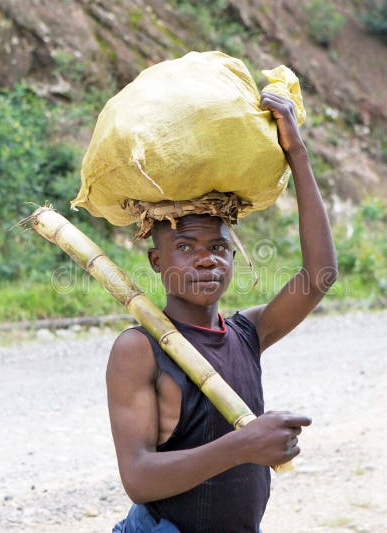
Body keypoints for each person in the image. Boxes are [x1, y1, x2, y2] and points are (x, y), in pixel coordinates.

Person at [108, 91, 338, 532]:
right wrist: (243, 444)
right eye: (184, 248)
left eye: (218, 248)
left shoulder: (246, 333)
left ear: (233, 258)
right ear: (158, 263)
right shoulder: (140, 348)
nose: (205, 259)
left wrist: (297, 154)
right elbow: (138, 477)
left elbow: (319, 275)